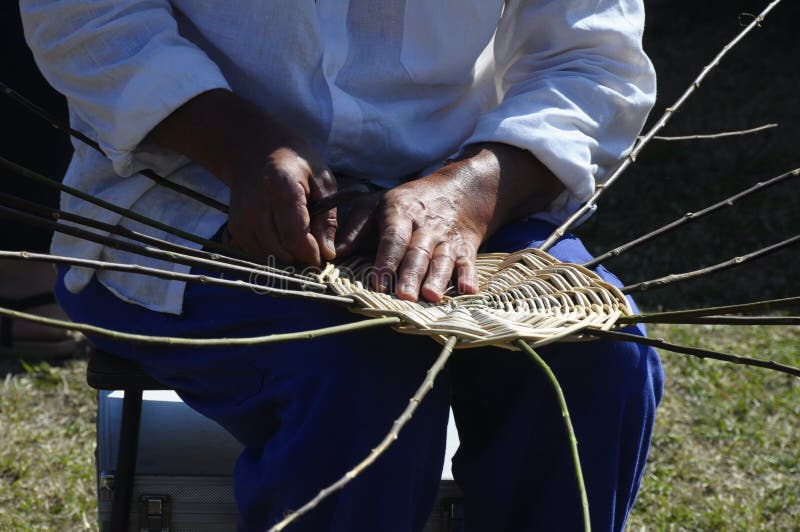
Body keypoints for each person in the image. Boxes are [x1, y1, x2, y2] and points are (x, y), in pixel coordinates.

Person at [21, 1, 663, 530]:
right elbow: (85, 15)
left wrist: (470, 191)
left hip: (462, 186)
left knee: (598, 358)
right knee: (363, 369)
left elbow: (592, 57)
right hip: (187, 188)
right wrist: (241, 145)